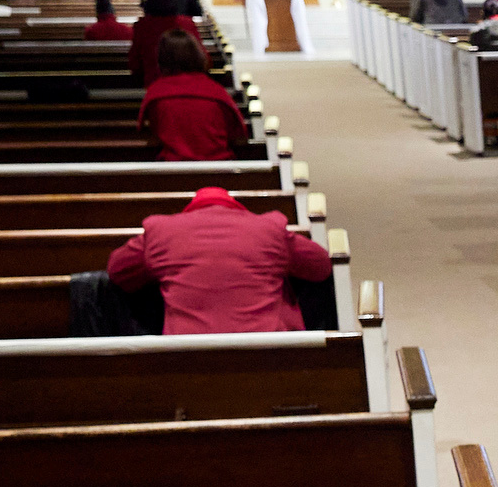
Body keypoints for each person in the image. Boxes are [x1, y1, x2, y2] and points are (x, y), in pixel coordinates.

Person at [106, 186, 330, 335]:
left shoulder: (162, 231)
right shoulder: (268, 227)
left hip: (187, 355)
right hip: (270, 351)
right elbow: (320, 266)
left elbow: (118, 271)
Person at [139, 31, 245, 162]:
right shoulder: (216, 90)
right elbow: (237, 133)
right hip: (219, 168)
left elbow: (152, 132)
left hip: (172, 171)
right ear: (198, 55)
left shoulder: (156, 92)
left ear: (162, 59)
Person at [129, 0, 204, 82]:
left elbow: (134, 65)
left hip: (153, 84)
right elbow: (203, 60)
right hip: (189, 83)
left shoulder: (142, 27)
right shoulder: (187, 24)